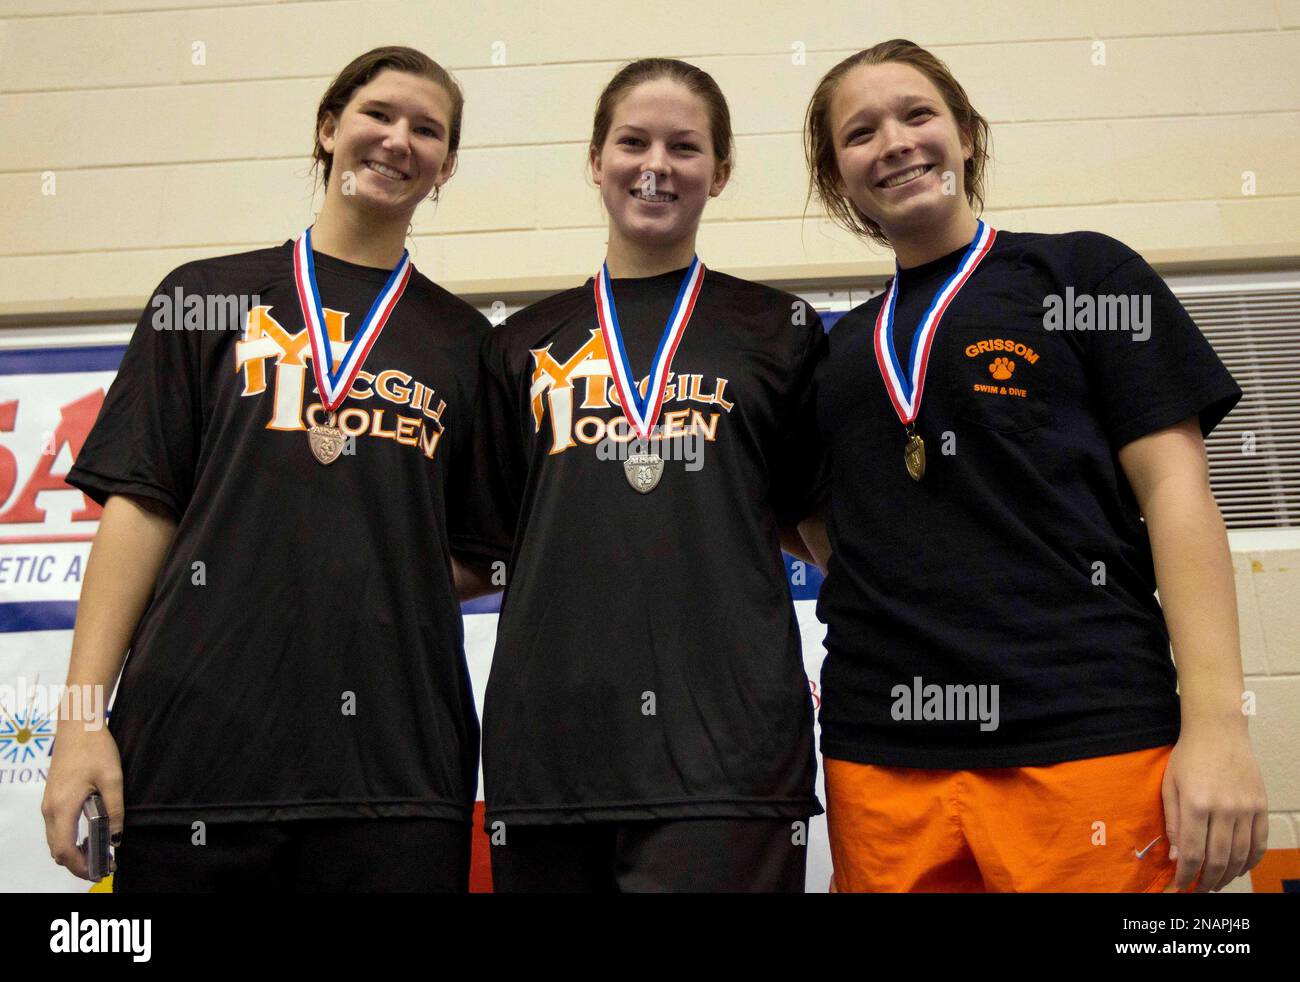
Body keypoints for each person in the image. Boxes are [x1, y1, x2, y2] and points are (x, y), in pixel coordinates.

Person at [801, 38, 1268, 893]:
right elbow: (815, 520)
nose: (895, 142)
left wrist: (1219, 729)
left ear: (967, 135)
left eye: (918, 115)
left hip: (1086, 735)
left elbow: (1176, 494)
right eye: (860, 133)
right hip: (883, 756)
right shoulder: (832, 355)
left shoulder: (1084, 273)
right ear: (838, 176)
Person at [41, 46, 487, 892]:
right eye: (378, 115)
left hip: (395, 776)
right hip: (195, 755)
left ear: (445, 167)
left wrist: (361, 574)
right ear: (328, 128)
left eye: (427, 130)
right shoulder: (201, 299)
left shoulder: (467, 345)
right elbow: (140, 512)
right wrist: (78, 725)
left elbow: (484, 547)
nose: (398, 140)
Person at [457, 58, 827, 892]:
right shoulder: (519, 344)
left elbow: (820, 527)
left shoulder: (780, 329)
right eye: (632, 141)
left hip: (727, 758)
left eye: (685, 146)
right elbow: (480, 545)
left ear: (720, 172)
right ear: (596, 160)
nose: (655, 163)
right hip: (549, 756)